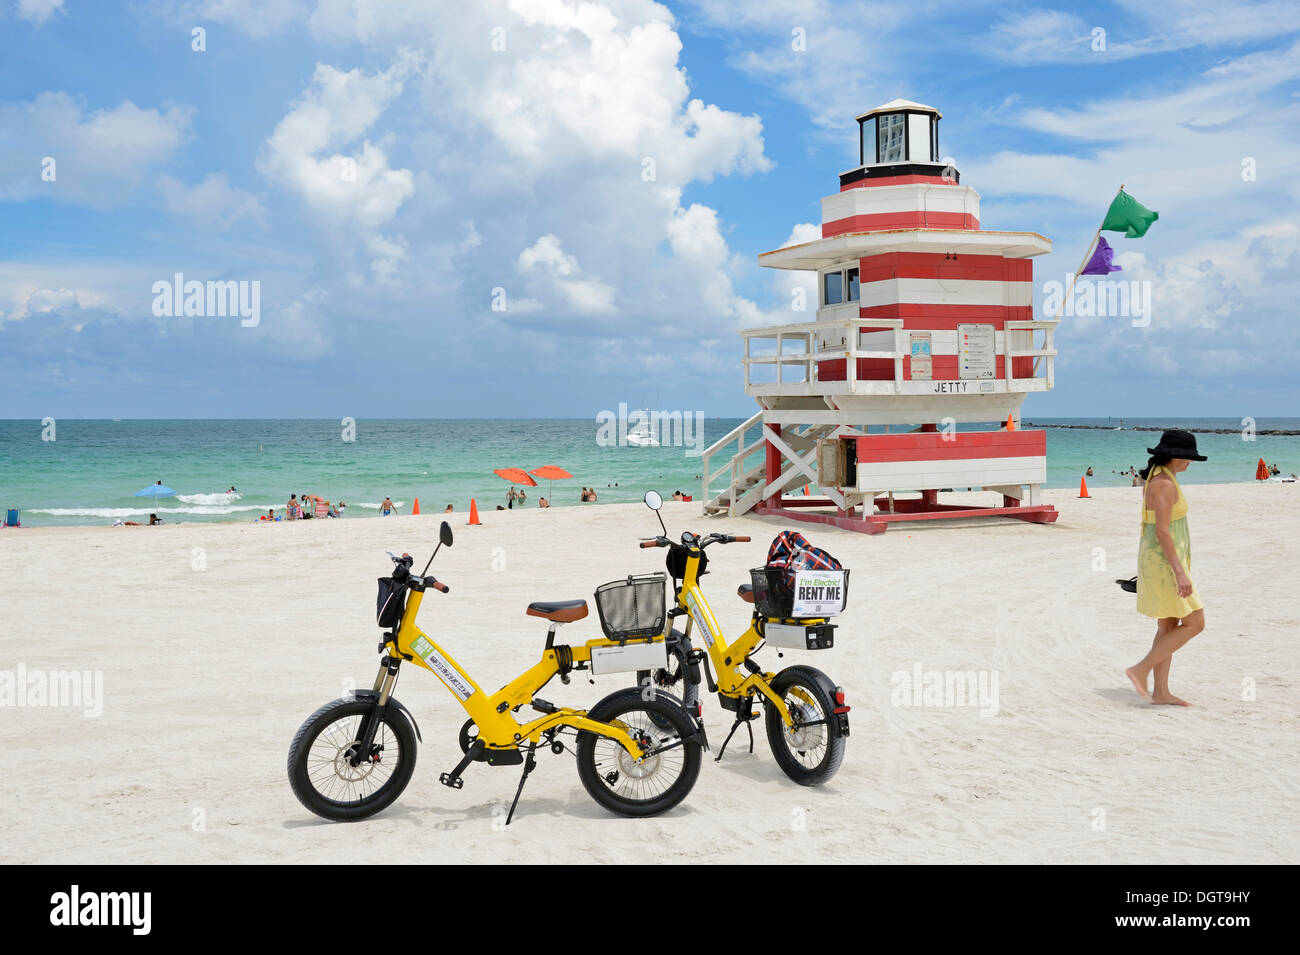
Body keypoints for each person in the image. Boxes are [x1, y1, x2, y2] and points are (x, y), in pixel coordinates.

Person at [1125, 430, 1208, 707]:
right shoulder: (1164, 484)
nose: (1190, 462)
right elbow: (1162, 532)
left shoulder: (1160, 476)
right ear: (1175, 455)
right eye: (1187, 457)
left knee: (1168, 624)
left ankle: (1160, 692)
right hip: (1164, 564)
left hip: (1164, 561)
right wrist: (1180, 572)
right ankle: (1140, 669)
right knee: (1196, 623)